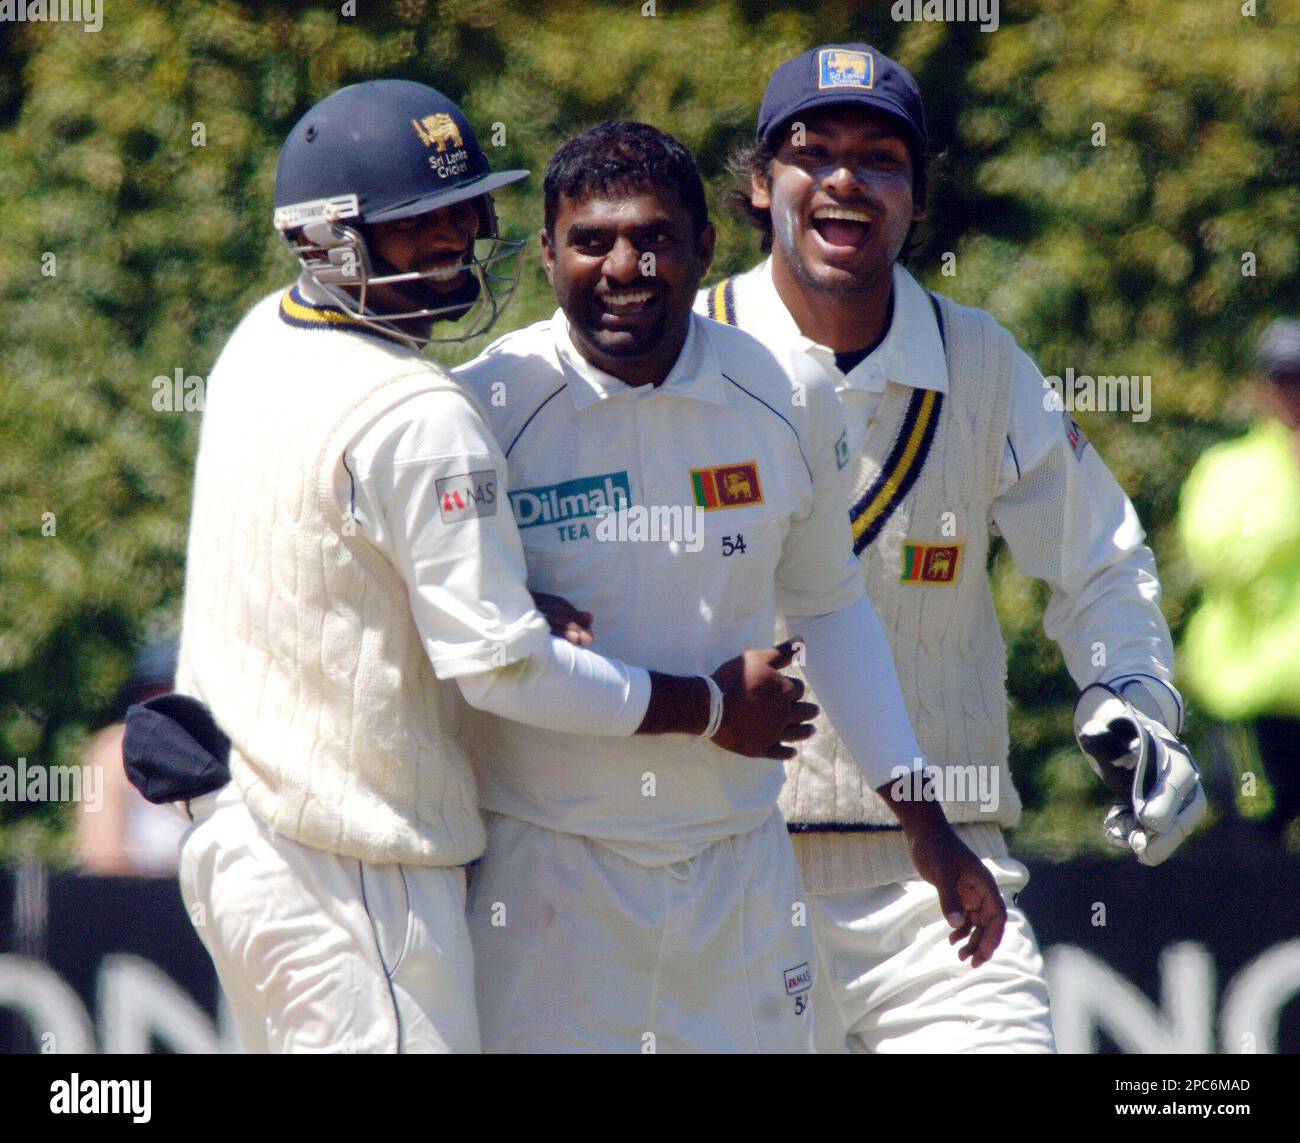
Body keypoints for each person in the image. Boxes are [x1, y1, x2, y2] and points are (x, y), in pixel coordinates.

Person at [171, 80, 817, 1054]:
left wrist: (490, 588)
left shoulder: (257, 341)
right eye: (419, 225)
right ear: (329, 239)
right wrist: (712, 707)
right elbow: (503, 668)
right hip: (356, 869)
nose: (460, 244)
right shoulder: (422, 412)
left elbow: (336, 575)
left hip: (238, 844)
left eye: (462, 214)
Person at [454, 120, 1007, 1054]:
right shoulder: (482, 406)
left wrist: (926, 824)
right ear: (547, 253)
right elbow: (438, 624)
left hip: (738, 866)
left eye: (655, 238)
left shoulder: (786, 389)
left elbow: (832, 608)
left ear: (705, 246)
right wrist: (509, 599)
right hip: (546, 872)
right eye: (592, 241)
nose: (625, 267)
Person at [699, 43, 1205, 1053]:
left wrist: (1133, 700)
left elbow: (1097, 560)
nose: (846, 179)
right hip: (717, 873)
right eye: (813, 151)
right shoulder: (679, 348)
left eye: (881, 159)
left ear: (916, 197)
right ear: (761, 184)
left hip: (941, 890)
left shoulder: (979, 362)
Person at [1179, 317, 1300, 843]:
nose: (1292, 393)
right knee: (1253, 844)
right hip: (1253, 701)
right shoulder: (1229, 469)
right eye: (1283, 378)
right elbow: (1216, 559)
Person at [78, 641, 188, 875]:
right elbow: (102, 854)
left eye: (171, 693)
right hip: (137, 897)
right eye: (152, 695)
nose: (162, 706)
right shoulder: (112, 754)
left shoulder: (224, 749)